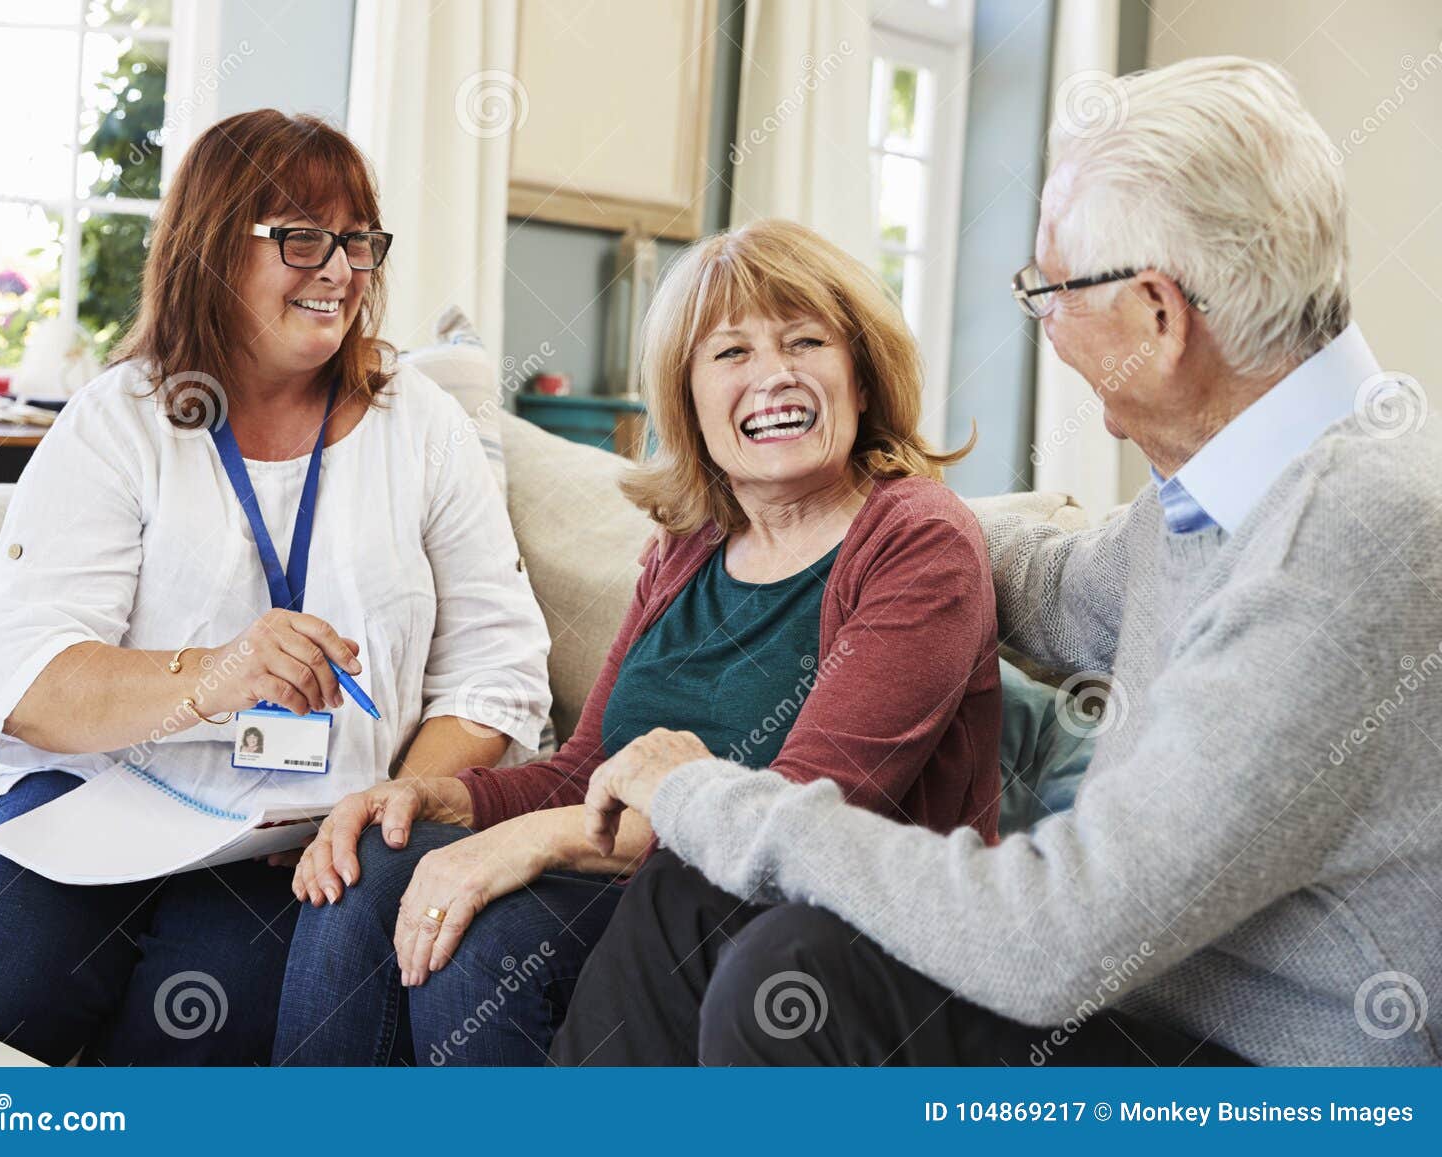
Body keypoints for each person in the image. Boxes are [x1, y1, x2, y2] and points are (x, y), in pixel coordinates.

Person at [552, 56, 1442, 1068]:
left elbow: (1055, 937)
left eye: (1049, 290)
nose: (1043, 318)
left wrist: (705, 789)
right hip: (1155, 1021)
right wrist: (853, 512)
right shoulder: (1231, 487)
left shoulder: (1341, 541)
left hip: (1290, 1087)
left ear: (1156, 315)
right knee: (697, 899)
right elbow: (1053, 582)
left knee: (788, 977)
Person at [272, 219, 1003, 1066]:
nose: (776, 375)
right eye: (731, 353)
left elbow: (804, 819)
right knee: (369, 861)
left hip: (824, 932)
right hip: (655, 887)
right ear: (689, 399)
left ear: (863, 377)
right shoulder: (686, 549)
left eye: (806, 341)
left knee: (490, 943)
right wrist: (442, 800)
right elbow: (586, 771)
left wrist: (527, 841)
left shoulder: (915, 538)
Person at [0, 110, 552, 1065]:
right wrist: (213, 676)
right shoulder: (121, 419)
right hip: (96, 796)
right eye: (301, 238)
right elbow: (27, 675)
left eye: (356, 242)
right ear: (212, 248)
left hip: (294, 834)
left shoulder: (418, 424)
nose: (337, 269)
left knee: (207, 1016)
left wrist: (396, 800)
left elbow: (497, 671)